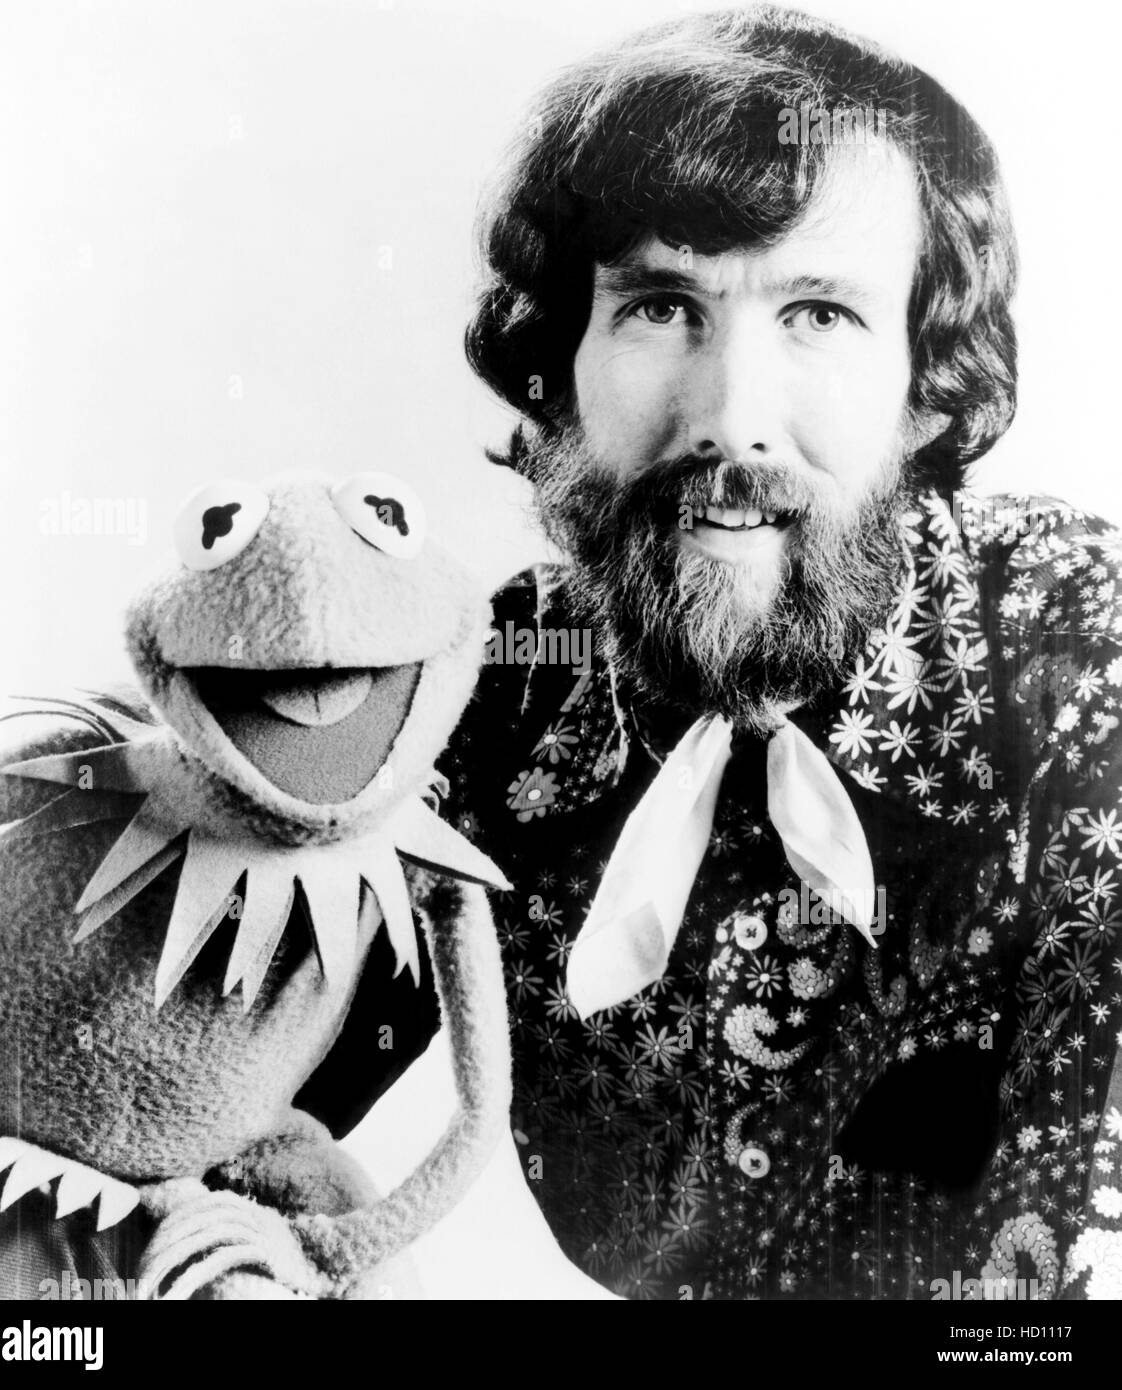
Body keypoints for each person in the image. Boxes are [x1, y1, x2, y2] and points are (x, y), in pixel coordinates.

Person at [309, 3, 1122, 1301]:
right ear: (556, 365)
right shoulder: (487, 687)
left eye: (817, 314)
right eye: (658, 304)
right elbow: (180, 1087)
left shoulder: (1081, 648)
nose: (731, 415)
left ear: (926, 384)